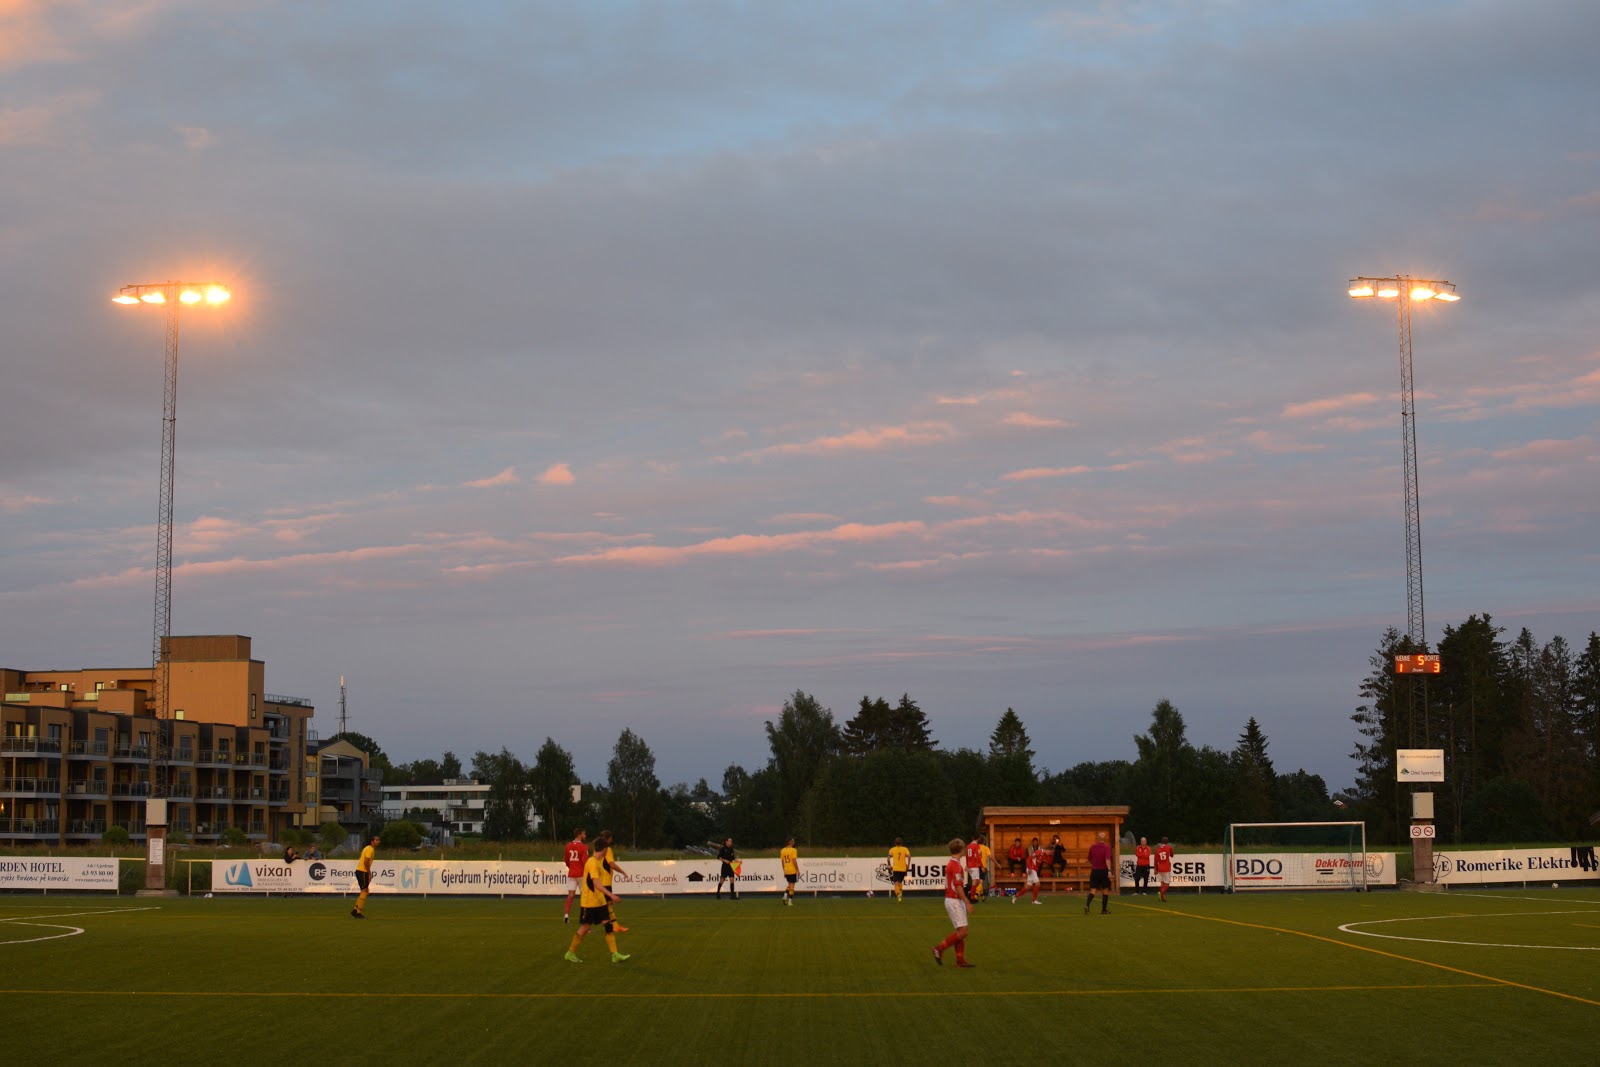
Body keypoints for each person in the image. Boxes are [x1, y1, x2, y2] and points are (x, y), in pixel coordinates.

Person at [565, 845, 629, 963]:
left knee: (608, 925)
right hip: (589, 903)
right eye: (607, 849)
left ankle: (615, 954)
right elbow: (597, 884)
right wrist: (611, 895)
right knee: (585, 928)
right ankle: (570, 952)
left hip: (600, 902)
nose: (608, 851)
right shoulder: (591, 862)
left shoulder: (599, 862)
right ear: (604, 849)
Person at [931, 838, 973, 968]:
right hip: (954, 900)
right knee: (964, 931)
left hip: (953, 900)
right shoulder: (955, 866)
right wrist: (967, 902)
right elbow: (959, 887)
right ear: (961, 850)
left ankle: (960, 961)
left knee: (960, 931)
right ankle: (939, 948)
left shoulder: (952, 863)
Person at [596, 831, 630, 933]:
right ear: (609, 838)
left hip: (599, 880)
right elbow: (611, 864)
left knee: (606, 904)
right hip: (605, 882)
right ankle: (614, 926)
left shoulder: (597, 849)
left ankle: (614, 925)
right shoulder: (607, 849)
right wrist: (622, 872)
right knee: (607, 905)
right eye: (611, 838)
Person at [562, 828, 589, 924]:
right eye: (584, 834)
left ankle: (566, 915)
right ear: (579, 835)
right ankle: (584, 917)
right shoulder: (583, 847)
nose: (585, 836)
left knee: (570, 896)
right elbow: (585, 861)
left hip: (572, 874)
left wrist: (572, 867)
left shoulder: (568, 846)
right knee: (584, 896)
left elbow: (566, 860)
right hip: (581, 874)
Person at [351, 834, 379, 919]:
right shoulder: (370, 849)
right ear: (372, 841)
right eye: (377, 840)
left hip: (361, 871)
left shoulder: (368, 848)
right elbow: (366, 862)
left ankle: (355, 910)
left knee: (365, 891)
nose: (378, 841)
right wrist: (368, 872)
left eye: (379, 840)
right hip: (362, 871)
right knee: (365, 890)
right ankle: (358, 912)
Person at [1085, 831, 1112, 914]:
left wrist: (1094, 863)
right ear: (1105, 839)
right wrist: (1109, 870)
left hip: (1095, 871)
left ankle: (1087, 905)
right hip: (1103, 870)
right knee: (1105, 890)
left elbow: (1089, 859)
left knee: (1093, 890)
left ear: (1097, 838)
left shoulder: (1093, 847)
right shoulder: (1107, 847)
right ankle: (1104, 910)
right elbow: (1107, 859)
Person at [1021, 840, 1045, 904]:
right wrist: (1029, 868)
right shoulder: (1036, 852)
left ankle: (1016, 896)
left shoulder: (1042, 855)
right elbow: (1029, 859)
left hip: (1033, 869)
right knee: (1037, 884)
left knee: (1028, 886)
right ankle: (1034, 900)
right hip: (1031, 868)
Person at [888, 837, 911, 902]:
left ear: (895, 843)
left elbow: (888, 859)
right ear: (902, 843)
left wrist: (889, 865)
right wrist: (908, 865)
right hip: (903, 868)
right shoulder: (905, 849)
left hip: (896, 868)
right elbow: (909, 856)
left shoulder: (892, 849)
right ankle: (900, 893)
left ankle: (898, 895)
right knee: (900, 882)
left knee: (896, 883)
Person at [964, 836, 986, 902]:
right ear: (978, 839)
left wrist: (967, 865)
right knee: (975, 882)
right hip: (974, 866)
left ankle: (970, 892)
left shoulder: (968, 846)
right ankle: (972, 897)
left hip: (969, 866)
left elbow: (967, 856)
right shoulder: (976, 846)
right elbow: (978, 857)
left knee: (978, 881)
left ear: (972, 838)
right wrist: (982, 866)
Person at [780, 837, 800, 906]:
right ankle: (789, 901)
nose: (793, 842)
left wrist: (784, 871)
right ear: (790, 842)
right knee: (792, 886)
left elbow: (782, 862)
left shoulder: (782, 850)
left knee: (790, 884)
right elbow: (794, 861)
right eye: (792, 841)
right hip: (792, 870)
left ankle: (786, 896)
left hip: (786, 870)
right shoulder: (793, 850)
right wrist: (797, 869)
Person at [1154, 836, 1175, 903]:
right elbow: (1172, 855)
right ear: (1167, 842)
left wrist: (1155, 869)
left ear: (1161, 842)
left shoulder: (1158, 849)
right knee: (1167, 884)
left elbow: (1155, 861)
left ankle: (1162, 898)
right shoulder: (1168, 848)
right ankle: (1161, 892)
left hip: (1160, 868)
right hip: (1166, 868)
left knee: (1162, 883)